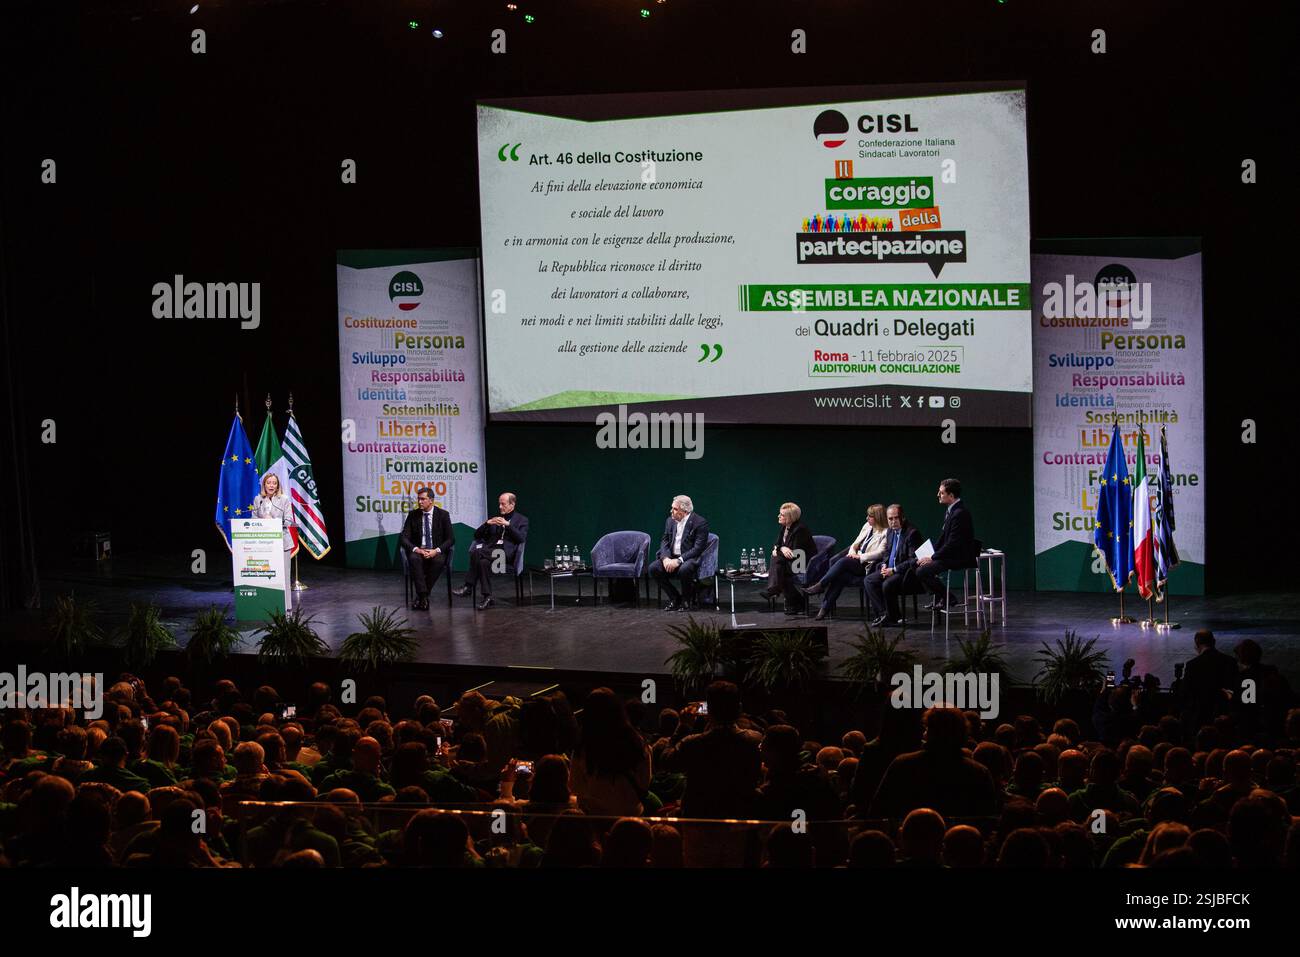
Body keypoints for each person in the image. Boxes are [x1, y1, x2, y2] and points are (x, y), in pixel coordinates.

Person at [803, 504, 888, 621]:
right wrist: (852, 552)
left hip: (868, 564)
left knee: (843, 562)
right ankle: (824, 609)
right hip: (855, 559)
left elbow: (881, 553)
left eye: (870, 516)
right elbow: (855, 543)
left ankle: (820, 585)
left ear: (878, 517)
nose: (867, 518)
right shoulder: (867, 526)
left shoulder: (885, 533)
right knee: (840, 577)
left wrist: (859, 556)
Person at [453, 492, 529, 610]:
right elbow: (477, 535)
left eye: (503, 504)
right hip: (491, 552)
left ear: (512, 504)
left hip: (506, 555)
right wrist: (487, 524)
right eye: (499, 504)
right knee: (483, 563)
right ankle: (487, 597)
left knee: (476, 552)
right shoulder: (496, 518)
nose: (500, 507)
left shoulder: (522, 520)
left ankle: (468, 586)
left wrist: (508, 525)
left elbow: (521, 538)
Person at [914, 478, 977, 611]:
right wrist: (929, 554)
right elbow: (943, 539)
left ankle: (948, 598)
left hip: (959, 557)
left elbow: (953, 543)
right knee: (918, 563)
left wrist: (932, 558)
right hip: (950, 554)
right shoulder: (951, 511)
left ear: (951, 495)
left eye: (941, 493)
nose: (938, 495)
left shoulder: (960, 513)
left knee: (922, 571)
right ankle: (941, 597)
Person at [864, 504, 926, 625]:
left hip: (906, 572)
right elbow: (887, 553)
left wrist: (894, 569)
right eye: (890, 519)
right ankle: (885, 614)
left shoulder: (912, 533)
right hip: (890, 569)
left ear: (902, 517)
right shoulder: (890, 532)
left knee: (887, 584)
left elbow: (914, 559)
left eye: (895, 518)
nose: (893, 522)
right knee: (869, 580)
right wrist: (884, 564)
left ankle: (891, 616)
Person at [649, 494, 710, 611]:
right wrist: (666, 558)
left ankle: (686, 601)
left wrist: (679, 560)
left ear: (685, 511)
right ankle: (675, 598)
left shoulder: (700, 523)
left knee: (684, 569)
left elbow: (697, 549)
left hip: (689, 558)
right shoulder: (670, 521)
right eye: (672, 508)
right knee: (653, 568)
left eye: (675, 509)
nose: (671, 511)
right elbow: (665, 541)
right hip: (671, 557)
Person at [399, 487, 453, 610]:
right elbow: (404, 538)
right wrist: (416, 549)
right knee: (414, 558)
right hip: (419, 550)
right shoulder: (413, 515)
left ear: (431, 501)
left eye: (423, 499)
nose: (419, 502)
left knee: (439, 561)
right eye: (418, 499)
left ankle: (421, 596)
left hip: (435, 550)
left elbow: (451, 539)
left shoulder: (443, 515)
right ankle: (424, 596)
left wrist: (436, 551)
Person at [763, 502, 816, 615]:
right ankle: (797, 603)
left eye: (781, 515)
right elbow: (777, 545)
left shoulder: (800, 529)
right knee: (780, 571)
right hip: (789, 563)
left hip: (801, 562)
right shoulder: (785, 528)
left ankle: (773, 590)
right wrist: (781, 549)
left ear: (790, 517)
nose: (778, 516)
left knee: (776, 561)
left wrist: (778, 550)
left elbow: (794, 552)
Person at [1179, 629, 1237, 732]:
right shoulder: (1230, 661)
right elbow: (1234, 688)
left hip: (1201, 713)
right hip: (1224, 712)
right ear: (1214, 642)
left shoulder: (1193, 665)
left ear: (1196, 644)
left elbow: (1186, 690)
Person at [253, 472, 297, 554]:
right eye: (268, 483)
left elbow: (289, 520)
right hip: (263, 542)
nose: (271, 485)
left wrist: (274, 521)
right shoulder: (258, 499)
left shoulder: (284, 499)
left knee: (284, 567)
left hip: (282, 540)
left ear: (277, 486)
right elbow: (253, 519)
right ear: (264, 485)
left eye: (274, 483)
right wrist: (263, 521)